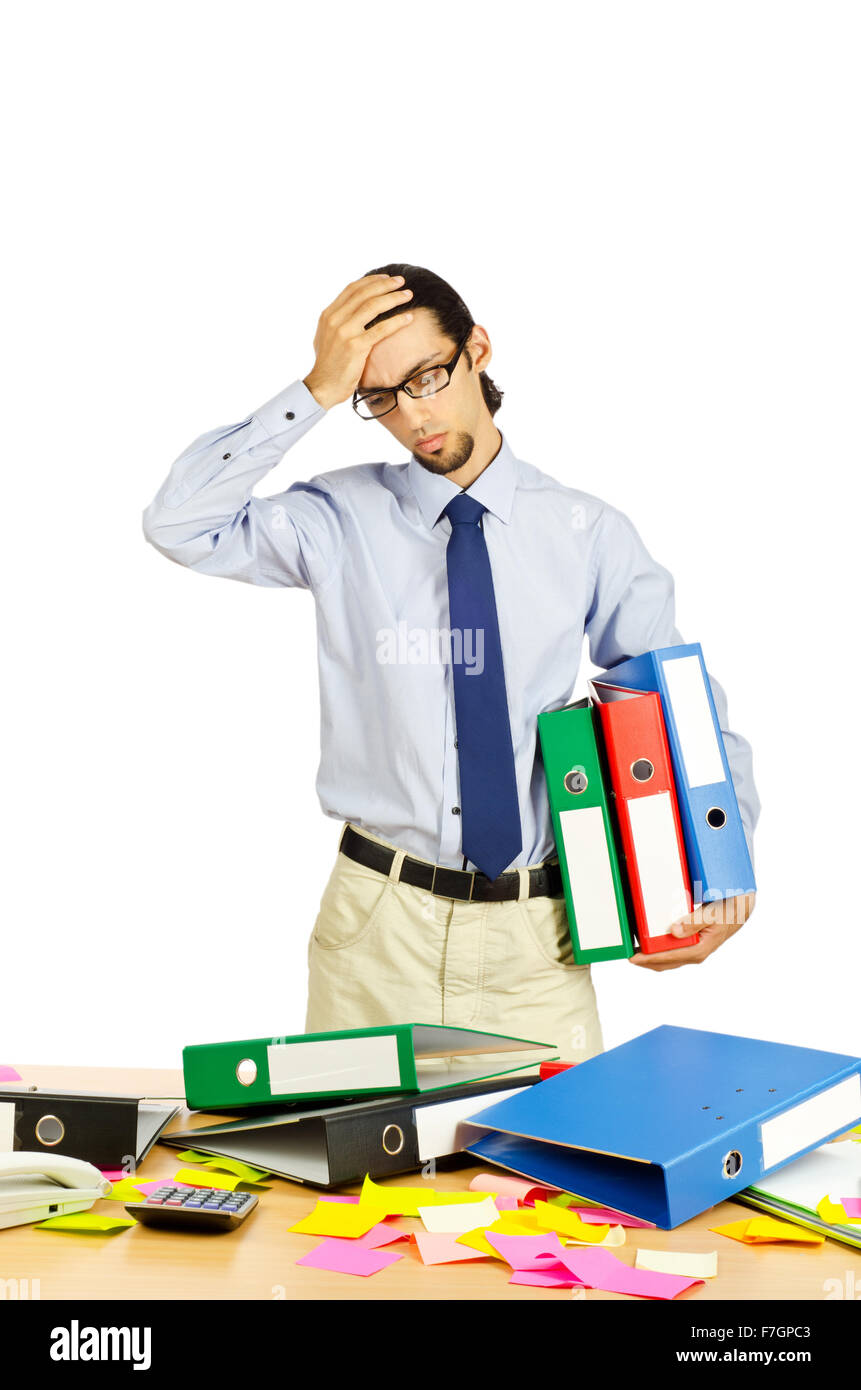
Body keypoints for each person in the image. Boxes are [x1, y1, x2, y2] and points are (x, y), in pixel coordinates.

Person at [142, 263, 759, 1061]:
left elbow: (678, 706)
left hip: (540, 937)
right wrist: (316, 390)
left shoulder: (586, 532)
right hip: (377, 926)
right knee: (354, 1176)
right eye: (381, 398)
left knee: (546, 1171)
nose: (414, 416)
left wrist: (721, 873)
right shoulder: (336, 518)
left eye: (428, 377)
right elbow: (180, 525)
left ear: (478, 349)